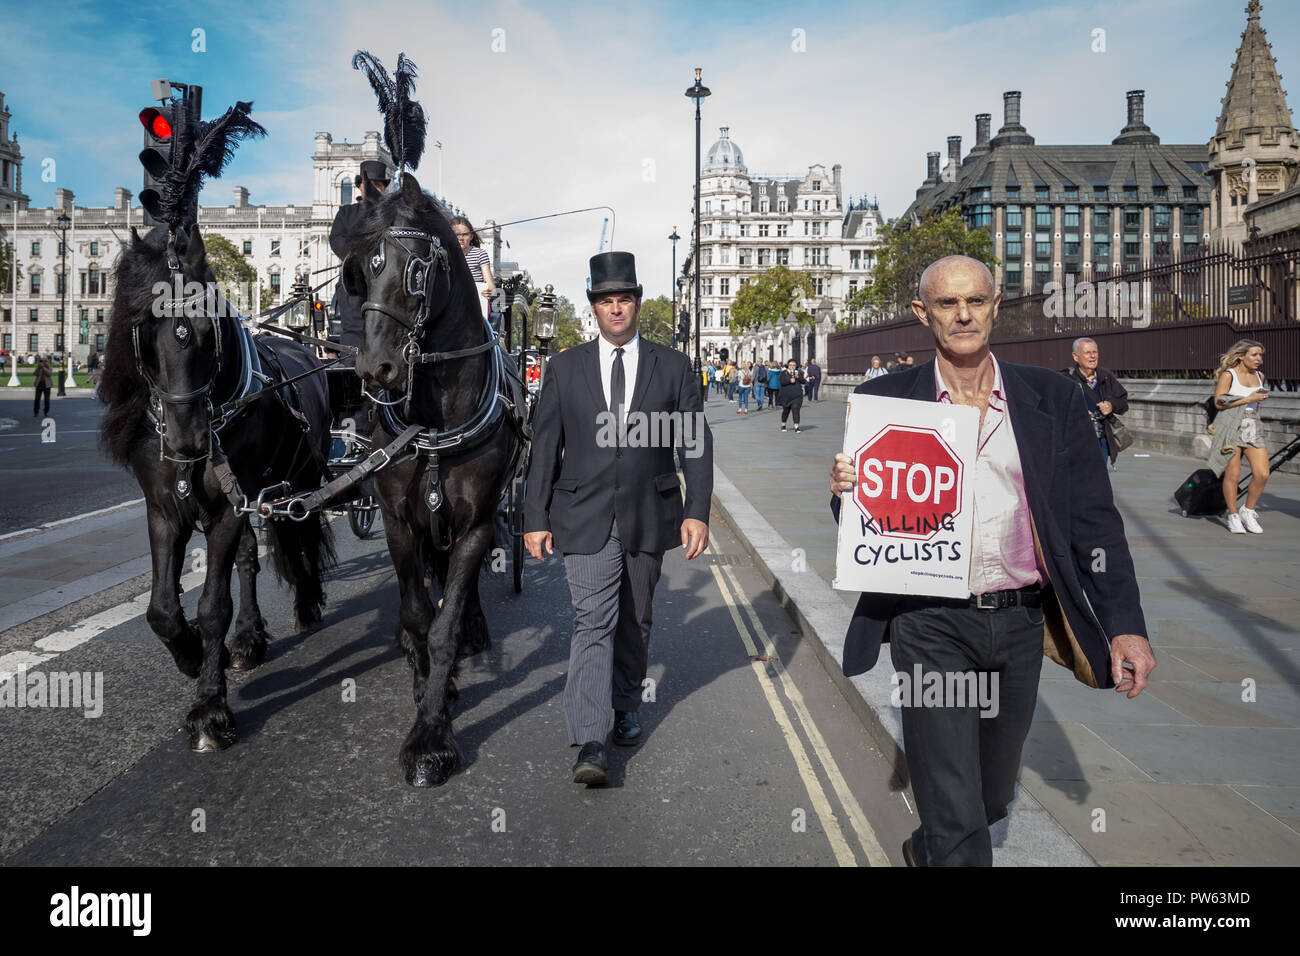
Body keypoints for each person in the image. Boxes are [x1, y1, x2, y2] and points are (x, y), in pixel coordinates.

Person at [828, 254, 1154, 867]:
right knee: (954, 805)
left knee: (992, 794)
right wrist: (844, 490)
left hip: (1019, 621)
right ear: (923, 313)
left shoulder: (1052, 398)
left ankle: (930, 848)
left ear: (995, 305)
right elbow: (862, 525)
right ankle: (946, 844)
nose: (964, 314)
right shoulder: (883, 400)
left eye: (975, 300)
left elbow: (1095, 522)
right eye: (948, 304)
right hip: (929, 620)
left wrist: (1126, 625)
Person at [523, 252, 713, 786]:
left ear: (637, 302)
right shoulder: (564, 368)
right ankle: (590, 735)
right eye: (606, 300)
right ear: (593, 308)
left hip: (649, 512)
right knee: (592, 621)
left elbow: (695, 442)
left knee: (636, 617)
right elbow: (544, 448)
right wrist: (534, 516)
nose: (616, 308)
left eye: (624, 298)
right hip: (582, 513)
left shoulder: (672, 366)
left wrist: (697, 510)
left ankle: (627, 700)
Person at [1209, 339, 1271, 534]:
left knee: (1262, 473)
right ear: (1241, 356)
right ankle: (1233, 515)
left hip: (1253, 425)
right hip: (1230, 426)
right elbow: (1219, 402)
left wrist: (1254, 403)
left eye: (1260, 355)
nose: (1258, 359)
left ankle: (1248, 510)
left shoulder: (1260, 375)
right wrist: (1248, 399)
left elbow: (1256, 406)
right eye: (1254, 355)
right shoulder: (1229, 375)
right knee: (1233, 474)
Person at [330, 160, 391, 353]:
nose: (375, 189)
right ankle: (350, 364)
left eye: (379, 185)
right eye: (371, 184)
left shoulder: (391, 214)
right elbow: (336, 238)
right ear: (360, 186)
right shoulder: (346, 213)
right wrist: (357, 256)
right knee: (353, 331)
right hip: (354, 282)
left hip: (385, 281)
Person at [1061, 338, 1129, 469]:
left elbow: (1123, 403)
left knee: (1098, 480)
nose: (1092, 356)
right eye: (1087, 353)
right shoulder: (1065, 379)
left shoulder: (1106, 376)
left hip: (1100, 440)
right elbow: (1053, 407)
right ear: (1076, 357)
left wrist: (1111, 405)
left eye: (1095, 352)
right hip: (1073, 440)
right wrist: (1076, 412)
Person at [450, 216, 495, 319]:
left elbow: (491, 285)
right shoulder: (445, 254)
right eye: (456, 234)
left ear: (471, 236)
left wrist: (488, 290)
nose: (461, 238)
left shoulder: (480, 254)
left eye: (465, 234)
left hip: (476, 303)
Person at [778, 358, 805, 433]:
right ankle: (783, 425)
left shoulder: (799, 372)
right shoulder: (784, 373)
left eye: (794, 365)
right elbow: (781, 382)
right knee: (786, 411)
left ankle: (796, 426)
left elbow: (803, 381)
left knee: (796, 410)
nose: (792, 366)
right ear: (788, 365)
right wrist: (789, 381)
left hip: (797, 395)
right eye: (791, 365)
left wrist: (799, 378)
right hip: (786, 395)